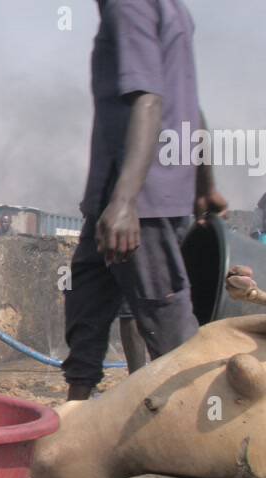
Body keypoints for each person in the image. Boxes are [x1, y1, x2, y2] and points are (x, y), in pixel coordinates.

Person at [62, 0, 227, 401]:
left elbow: (150, 99)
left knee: (169, 328)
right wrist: (204, 183)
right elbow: (191, 106)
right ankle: (76, 416)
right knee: (86, 302)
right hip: (116, 197)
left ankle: (198, 430)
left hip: (137, 200)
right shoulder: (170, 7)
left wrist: (125, 202)